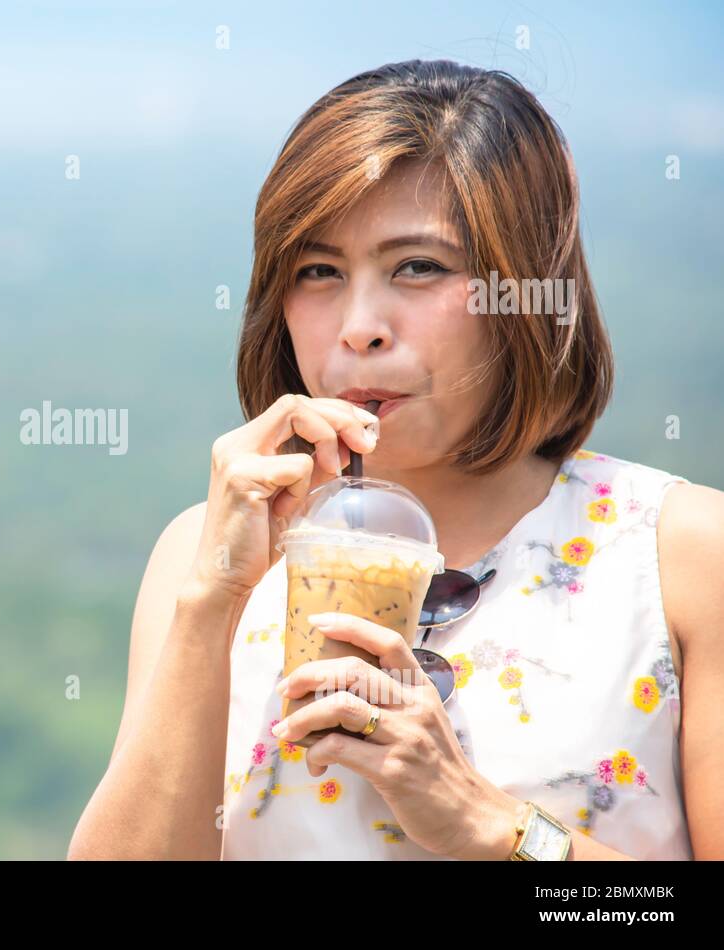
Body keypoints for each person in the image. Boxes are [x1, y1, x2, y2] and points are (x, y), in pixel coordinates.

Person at [68, 59, 724, 861]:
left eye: (418, 266)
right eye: (318, 272)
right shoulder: (202, 557)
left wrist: (494, 829)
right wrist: (214, 599)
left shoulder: (681, 556)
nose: (359, 326)